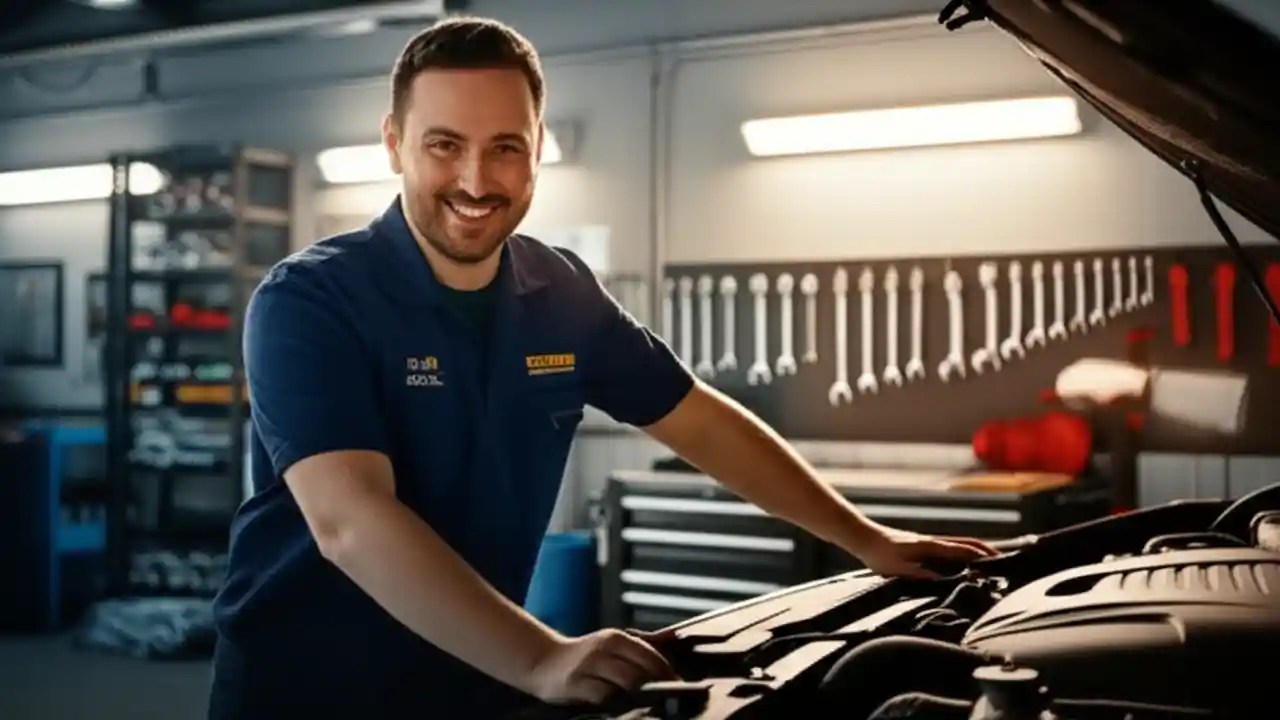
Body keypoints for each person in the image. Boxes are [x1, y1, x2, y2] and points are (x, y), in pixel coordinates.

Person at [207, 15, 998, 719]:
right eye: (444, 146)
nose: (477, 182)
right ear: (393, 145)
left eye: (505, 148)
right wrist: (543, 656)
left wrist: (864, 538)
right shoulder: (308, 301)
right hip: (312, 688)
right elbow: (349, 520)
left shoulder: (560, 292)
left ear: (537, 150)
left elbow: (698, 419)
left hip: (474, 679)